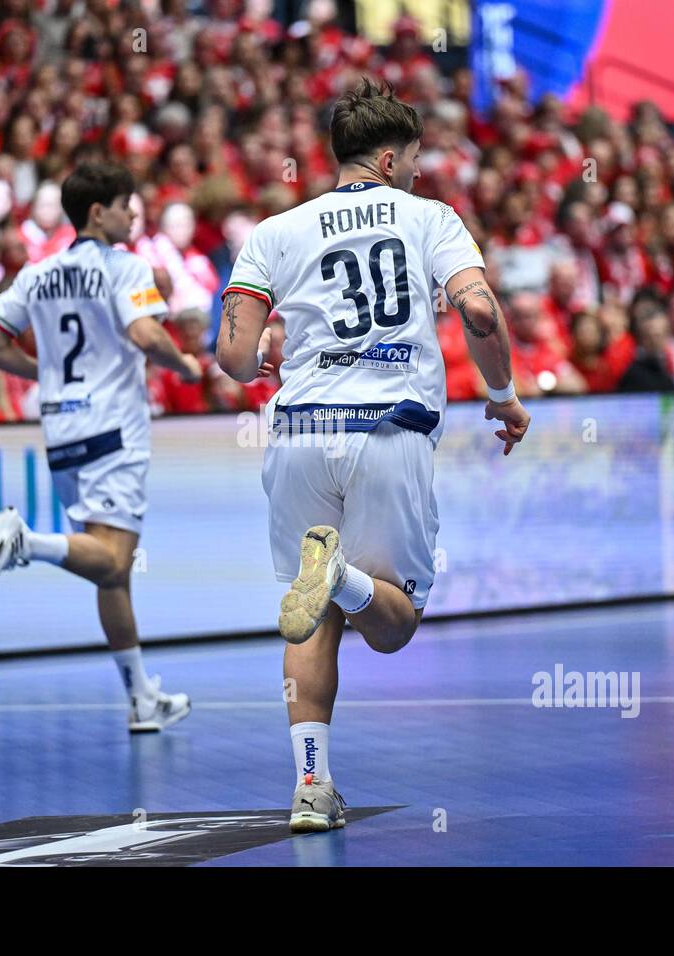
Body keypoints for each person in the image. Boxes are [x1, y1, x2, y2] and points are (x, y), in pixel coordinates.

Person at [216, 79, 531, 831]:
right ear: (389, 159)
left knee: (307, 616)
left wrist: (259, 350)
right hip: (386, 433)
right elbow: (480, 309)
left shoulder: (275, 230)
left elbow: (232, 353)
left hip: (296, 433)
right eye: (415, 160)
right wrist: (504, 393)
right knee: (391, 627)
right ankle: (345, 575)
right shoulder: (431, 219)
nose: (418, 173)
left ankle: (310, 788)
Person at [0, 162, 204, 734]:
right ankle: (23, 541)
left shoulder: (38, 272)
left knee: (109, 572)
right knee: (116, 556)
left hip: (62, 430)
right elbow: (146, 334)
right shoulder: (127, 266)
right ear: (98, 212)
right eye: (126, 205)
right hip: (113, 431)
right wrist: (187, 364)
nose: (133, 215)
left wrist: (42, 370)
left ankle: (141, 698)